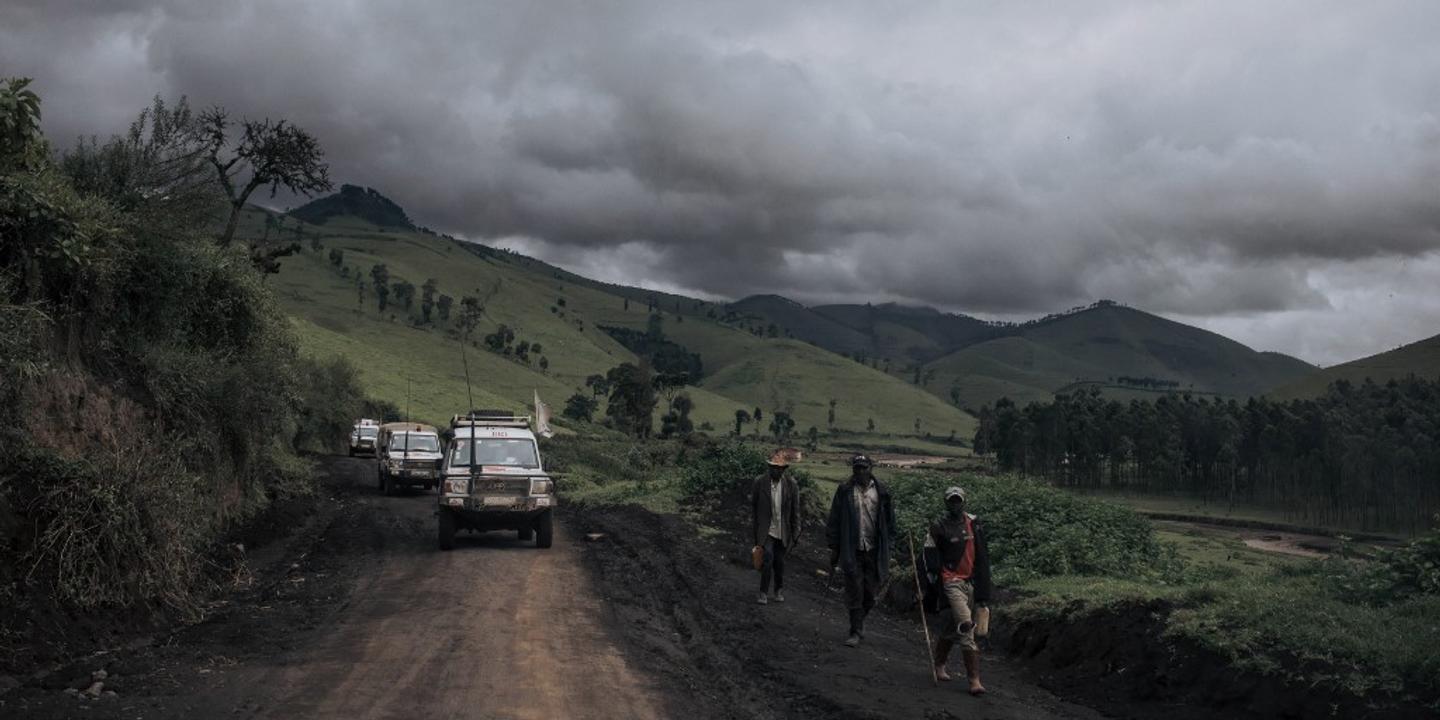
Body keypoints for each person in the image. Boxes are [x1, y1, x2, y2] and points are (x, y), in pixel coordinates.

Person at [928, 486, 993, 695]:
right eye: (951, 501)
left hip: (970, 583)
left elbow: (983, 557)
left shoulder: (974, 524)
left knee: (950, 627)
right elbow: (928, 556)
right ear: (946, 503)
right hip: (951, 582)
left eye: (958, 500)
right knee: (966, 626)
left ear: (964, 501)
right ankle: (974, 680)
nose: (955, 504)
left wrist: (983, 594)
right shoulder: (939, 527)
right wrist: (928, 584)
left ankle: (938, 664)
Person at [826, 453, 895, 647]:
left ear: (870, 468)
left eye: (864, 468)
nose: (861, 471)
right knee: (854, 590)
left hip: (874, 550)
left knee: (870, 594)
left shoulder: (882, 492)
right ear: (853, 470)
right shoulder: (845, 490)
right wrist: (834, 546)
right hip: (851, 548)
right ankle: (855, 631)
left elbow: (890, 524)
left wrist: (890, 546)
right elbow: (835, 519)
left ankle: (859, 621)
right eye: (857, 468)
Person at [751, 449, 802, 604]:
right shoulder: (760, 482)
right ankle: (763, 592)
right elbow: (754, 509)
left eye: (779, 468)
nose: (776, 470)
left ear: (784, 469)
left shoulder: (791, 485)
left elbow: (795, 511)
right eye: (773, 467)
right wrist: (756, 533)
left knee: (779, 562)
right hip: (767, 530)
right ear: (769, 467)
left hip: (783, 530)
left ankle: (778, 589)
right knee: (767, 559)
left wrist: (796, 532)